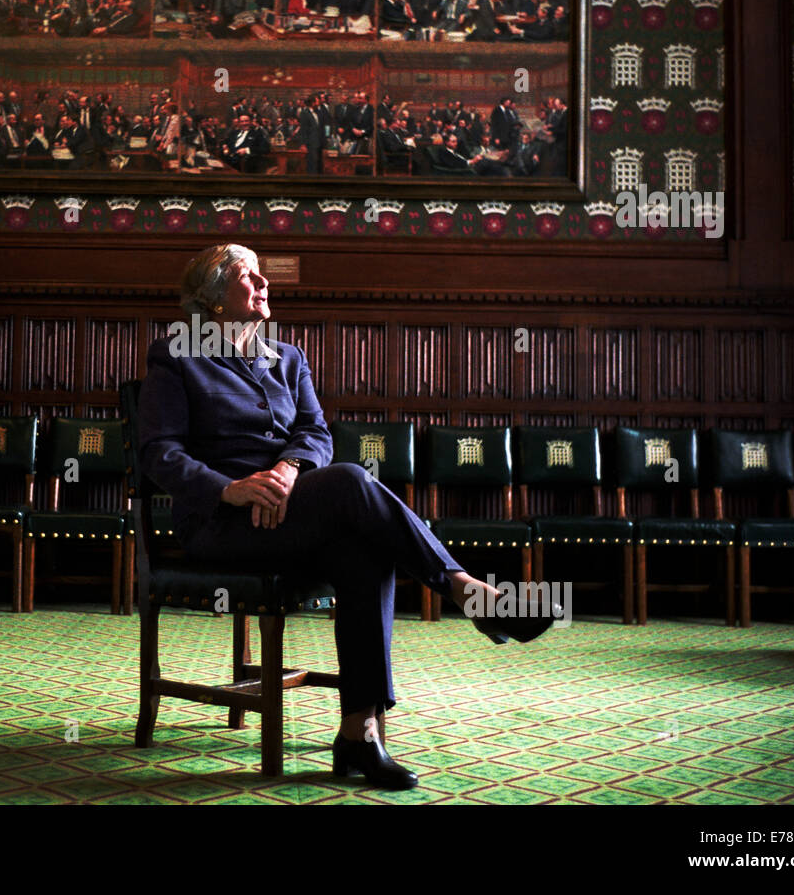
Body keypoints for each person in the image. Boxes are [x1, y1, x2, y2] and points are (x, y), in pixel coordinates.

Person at [138, 245, 557, 791]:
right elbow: (159, 453)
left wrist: (288, 470)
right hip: (221, 524)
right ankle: (464, 590)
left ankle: (360, 734)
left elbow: (316, 435)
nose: (265, 282)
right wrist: (234, 490)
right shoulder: (175, 355)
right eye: (248, 275)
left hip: (289, 514)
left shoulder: (287, 357)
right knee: (353, 481)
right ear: (213, 301)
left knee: (363, 548)